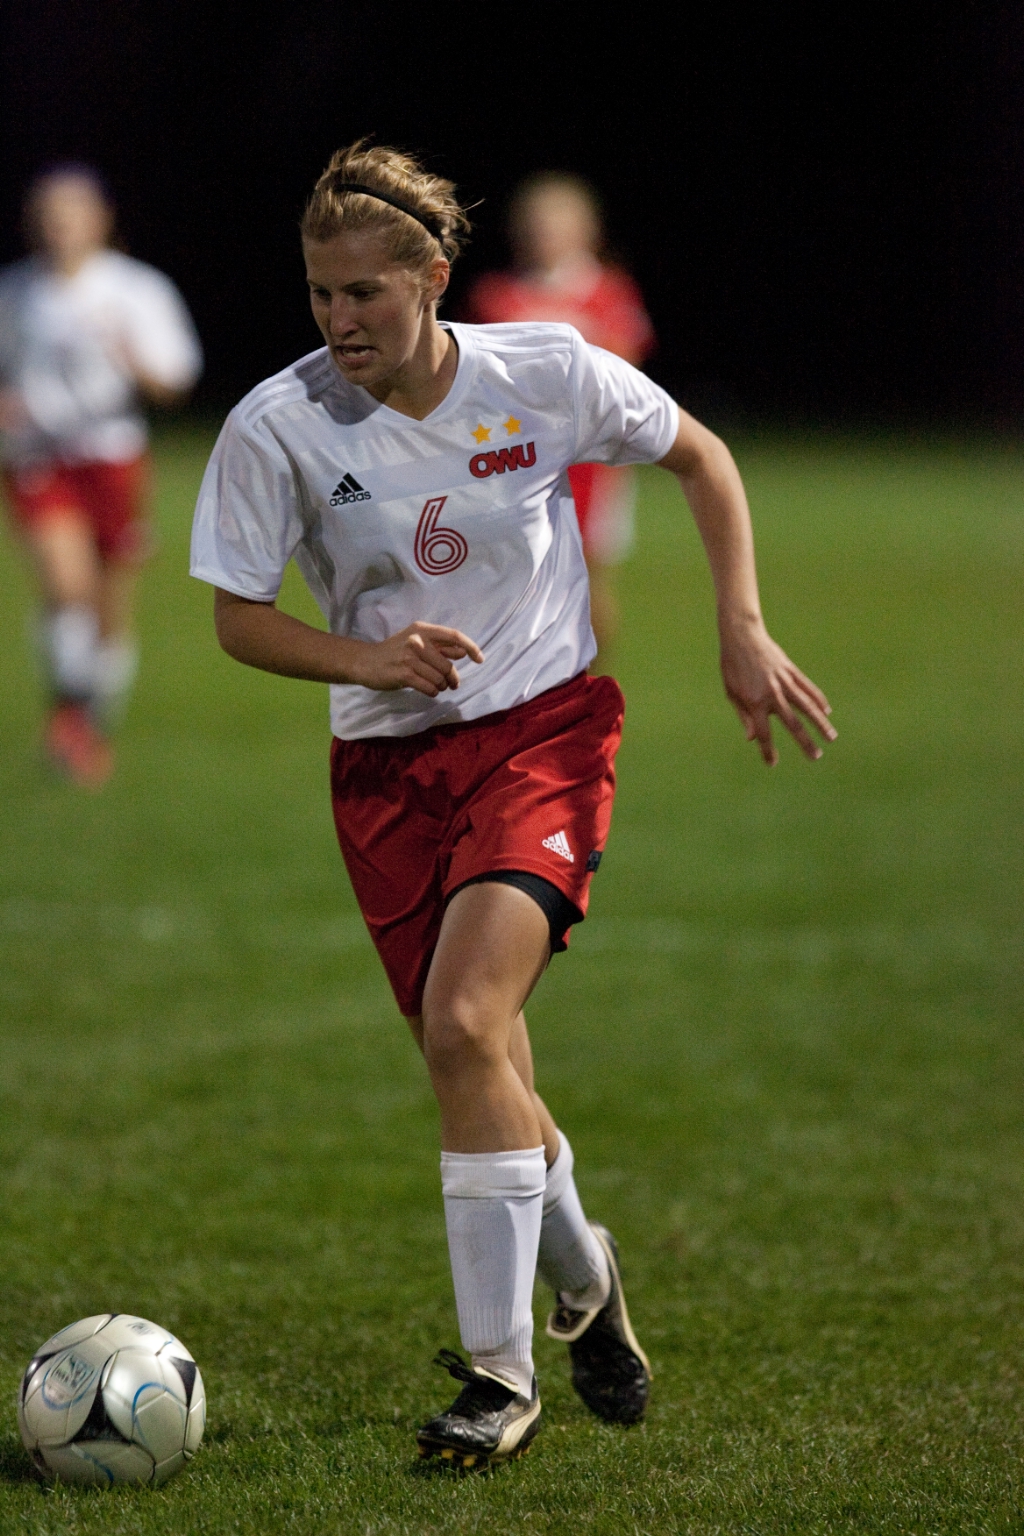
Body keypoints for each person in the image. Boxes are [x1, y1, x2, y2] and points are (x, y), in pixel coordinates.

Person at [190, 142, 836, 1468]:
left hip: (542, 734)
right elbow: (238, 620)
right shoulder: (276, 426)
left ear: (432, 277)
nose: (338, 320)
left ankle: (500, 1377)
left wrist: (740, 624)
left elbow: (701, 457)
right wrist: (367, 658)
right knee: (475, 1062)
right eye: (319, 293)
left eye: (364, 292)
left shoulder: (543, 370)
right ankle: (587, 1274)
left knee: (465, 1022)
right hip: (386, 773)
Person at [0, 165, 203, 786]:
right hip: (39, 456)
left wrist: (134, 363)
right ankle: (69, 716)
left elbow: (176, 379)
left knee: (109, 605)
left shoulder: (136, 290)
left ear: (100, 220)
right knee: (67, 585)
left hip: (113, 456)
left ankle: (89, 724)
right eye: (48, 216)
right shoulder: (16, 292)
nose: (58, 227)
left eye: (71, 214)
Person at [465, 173, 655, 667]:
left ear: (585, 230)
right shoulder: (496, 295)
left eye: (554, 226)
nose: (543, 236)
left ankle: (587, 676)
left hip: (590, 457)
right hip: (513, 454)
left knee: (589, 573)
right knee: (513, 574)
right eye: (535, 226)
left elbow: (627, 365)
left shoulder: (608, 292)